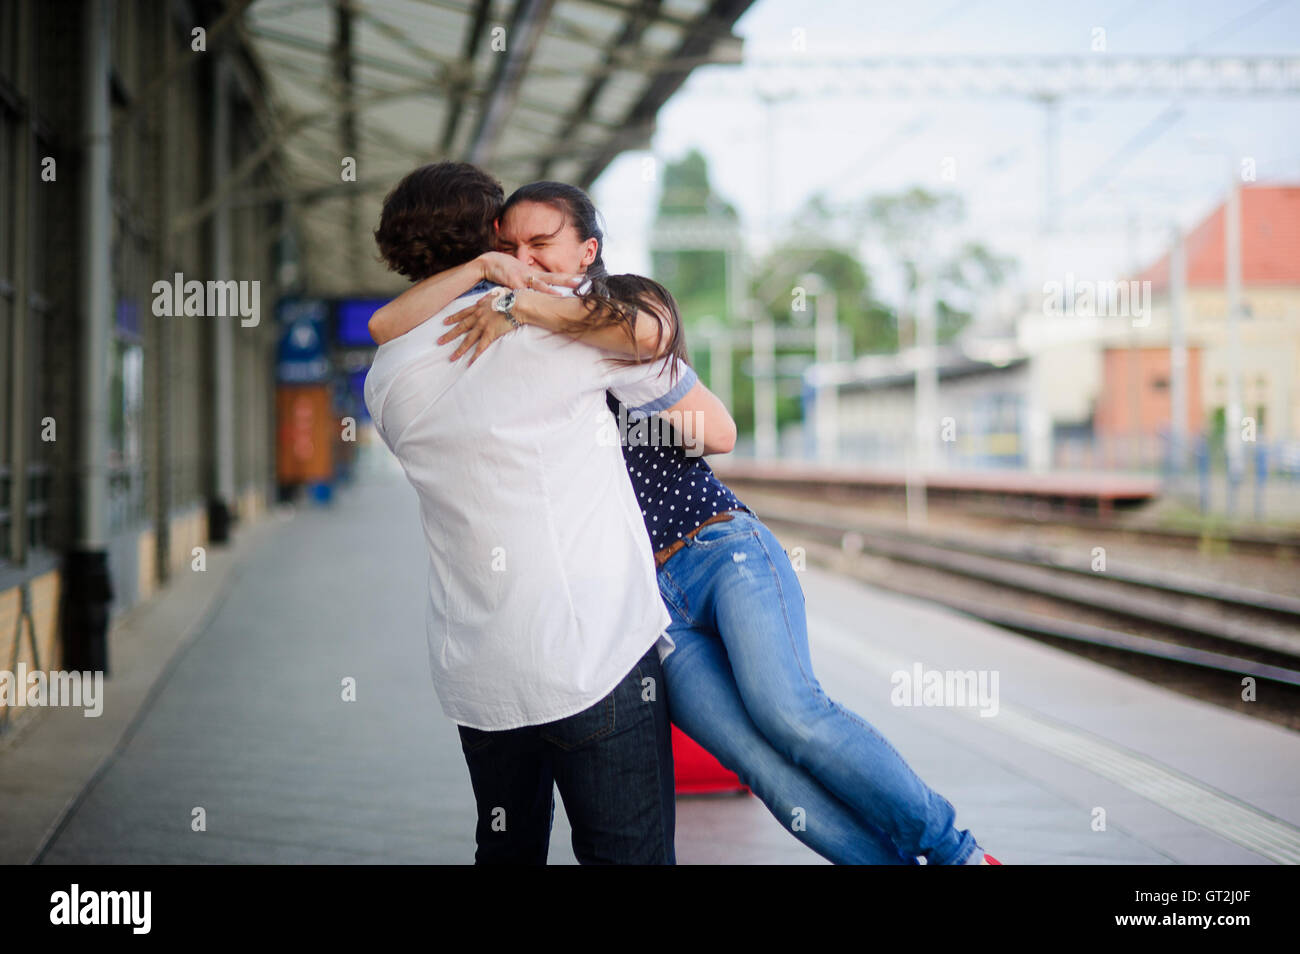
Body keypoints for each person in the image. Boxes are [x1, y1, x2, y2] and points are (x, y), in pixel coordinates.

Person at [369, 179, 1003, 866]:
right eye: (510, 246)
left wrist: (534, 309)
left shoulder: (602, 318)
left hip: (715, 545)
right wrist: (507, 298)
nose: (526, 258)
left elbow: (715, 426)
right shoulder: (505, 334)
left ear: (588, 251)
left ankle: (956, 852)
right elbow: (389, 326)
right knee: (760, 768)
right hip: (652, 605)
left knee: (792, 715)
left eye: (541, 244)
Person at [363, 162, 702, 865]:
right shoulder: (552, 328)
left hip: (479, 676)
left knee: (506, 854)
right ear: (496, 235)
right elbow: (702, 414)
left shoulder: (385, 378)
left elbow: (388, 325)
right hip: (592, 655)